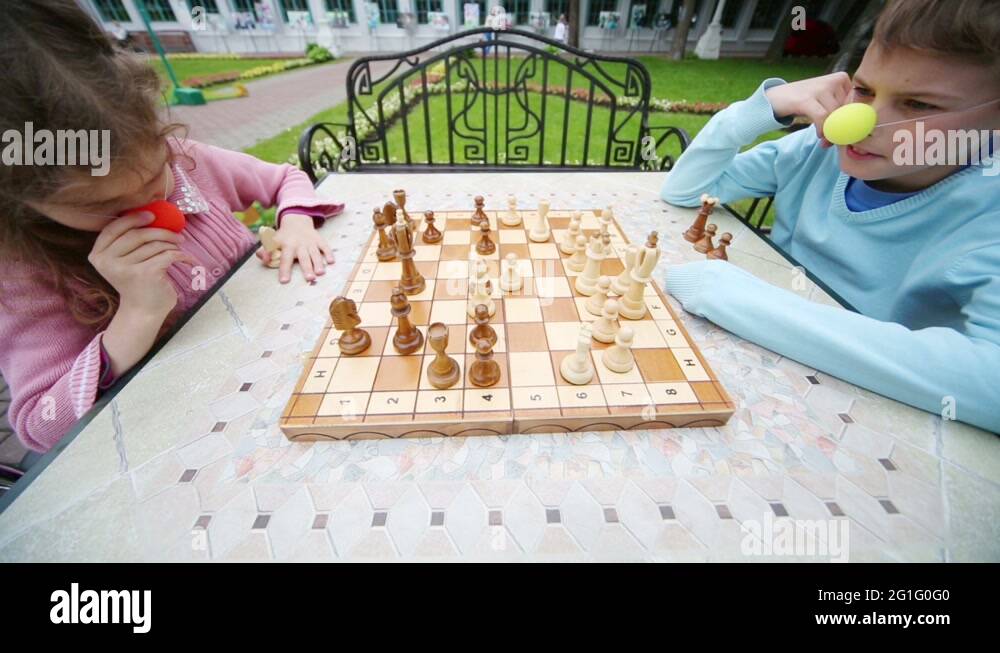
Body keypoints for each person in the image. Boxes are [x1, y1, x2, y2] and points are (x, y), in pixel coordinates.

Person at [0, 1, 344, 452]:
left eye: (152, 176)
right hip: (200, 434)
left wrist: (296, 222)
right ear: (21, 203)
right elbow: (40, 427)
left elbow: (284, 178)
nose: (152, 206)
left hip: (286, 362)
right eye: (102, 206)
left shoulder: (186, 160)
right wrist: (137, 315)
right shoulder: (24, 273)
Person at [659, 0, 1000, 434]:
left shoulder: (988, 212)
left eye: (917, 104)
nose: (862, 124)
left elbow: (991, 387)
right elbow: (686, 190)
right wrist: (766, 106)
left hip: (858, 420)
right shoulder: (816, 150)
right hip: (750, 369)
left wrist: (741, 299)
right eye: (864, 91)